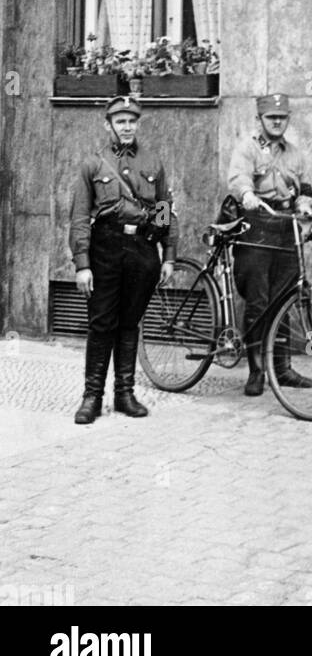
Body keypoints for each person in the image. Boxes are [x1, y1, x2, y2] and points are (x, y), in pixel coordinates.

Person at [70, 94, 177, 425]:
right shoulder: (93, 164)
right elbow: (79, 216)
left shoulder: (153, 162)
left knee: (130, 322)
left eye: (132, 121)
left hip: (142, 250)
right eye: (121, 121)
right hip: (105, 248)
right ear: (108, 125)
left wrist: (168, 256)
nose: (127, 127)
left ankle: (124, 394)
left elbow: (164, 210)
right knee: (102, 323)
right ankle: (92, 397)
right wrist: (82, 264)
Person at [227, 92, 312, 397]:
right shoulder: (248, 148)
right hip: (256, 228)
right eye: (271, 117)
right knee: (258, 301)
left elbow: (305, 188)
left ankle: (283, 369)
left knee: (284, 299)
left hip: (285, 228)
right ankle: (256, 371)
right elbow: (238, 178)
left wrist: (304, 204)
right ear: (259, 120)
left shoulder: (294, 154)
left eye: (282, 117)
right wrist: (246, 194)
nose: (277, 122)